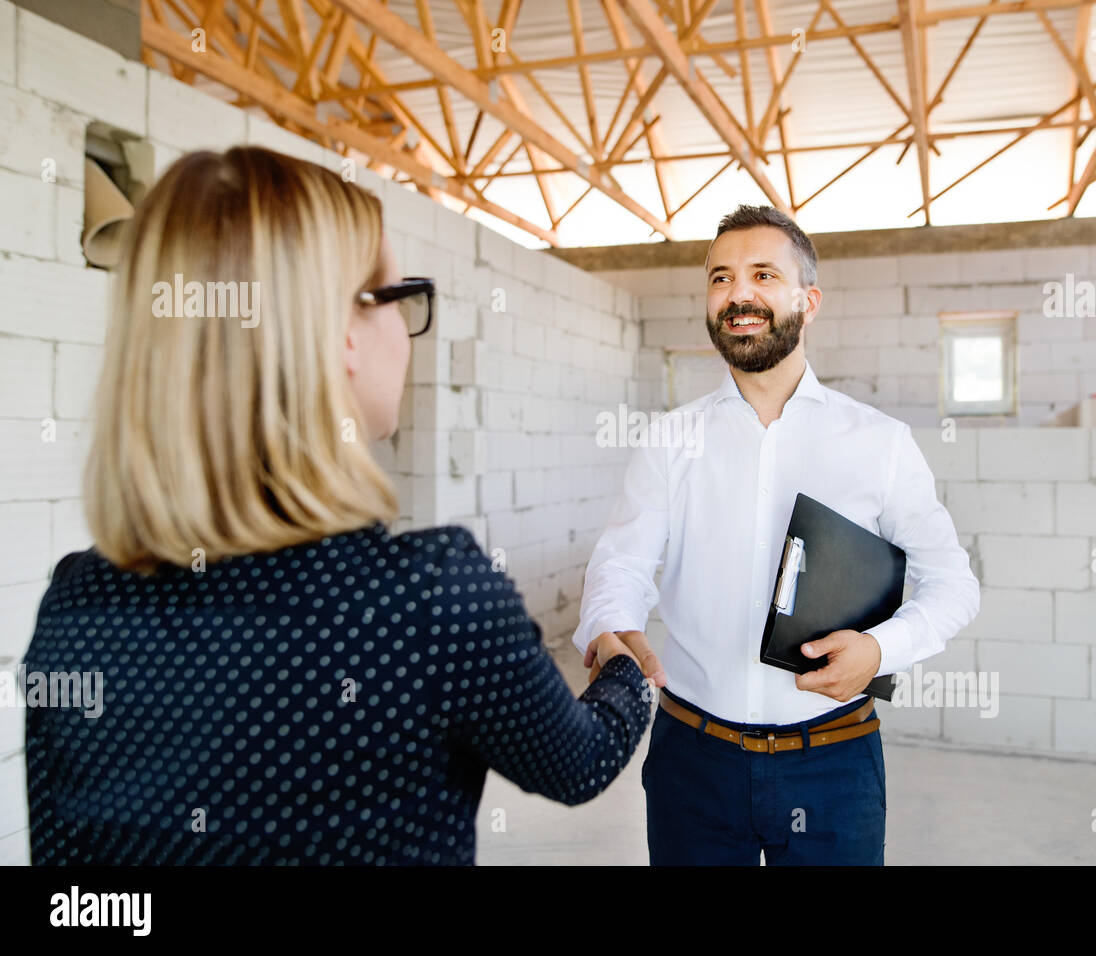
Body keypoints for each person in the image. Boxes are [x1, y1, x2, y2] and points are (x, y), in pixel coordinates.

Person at [23, 146, 649, 865]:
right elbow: (580, 763)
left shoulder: (75, 604)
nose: (406, 329)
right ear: (344, 333)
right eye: (397, 296)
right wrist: (622, 667)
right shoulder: (431, 599)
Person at [575, 204, 980, 865]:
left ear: (808, 299)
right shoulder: (670, 441)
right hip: (692, 764)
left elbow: (953, 584)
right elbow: (620, 565)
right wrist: (609, 624)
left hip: (834, 766)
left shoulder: (879, 443)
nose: (738, 295)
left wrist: (882, 650)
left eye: (763, 275)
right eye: (720, 279)